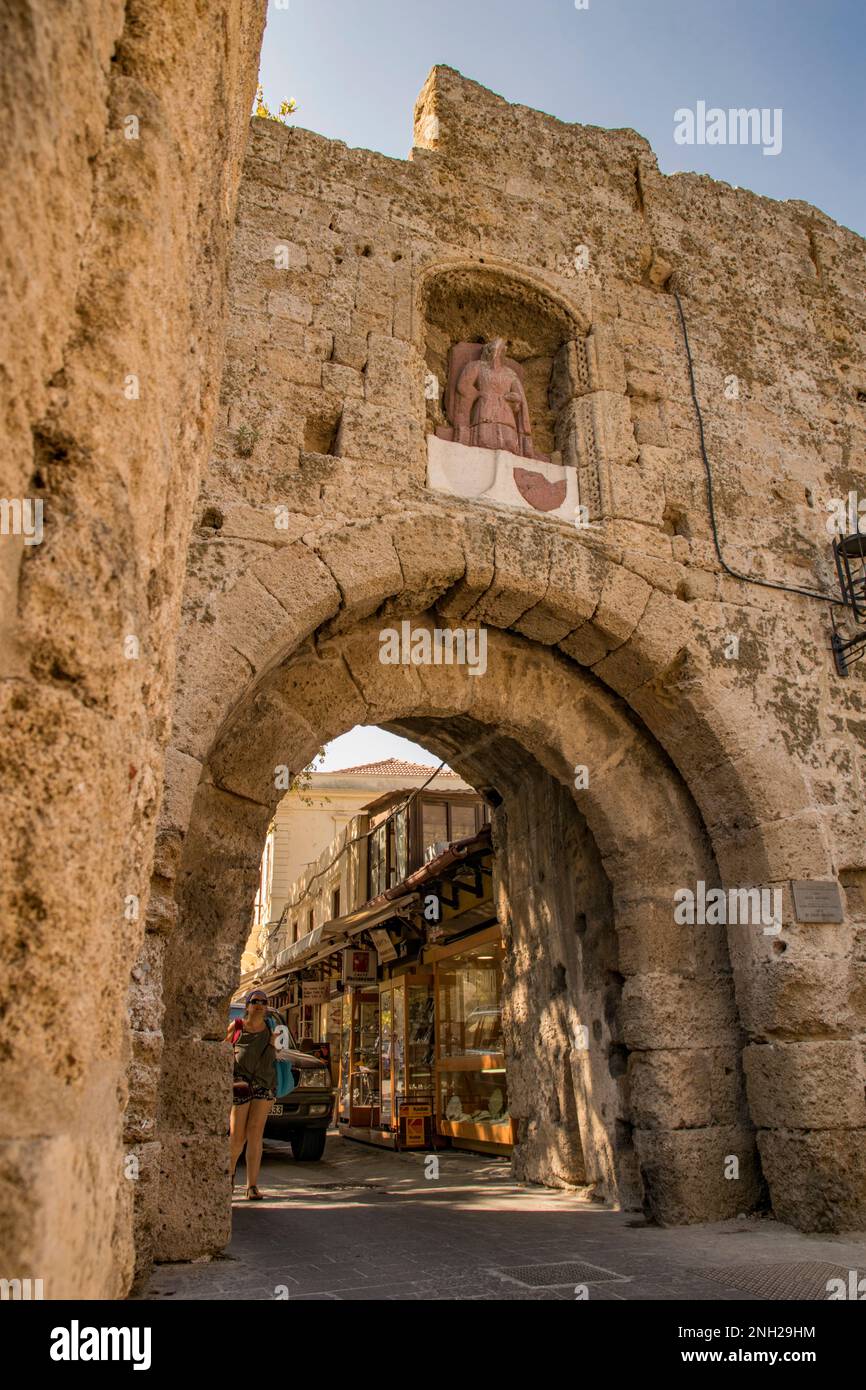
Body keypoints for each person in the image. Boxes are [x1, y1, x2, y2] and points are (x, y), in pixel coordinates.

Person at [227, 989, 279, 1200]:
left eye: (263, 1001)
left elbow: (278, 1053)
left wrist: (274, 1043)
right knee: (237, 1136)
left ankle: (252, 1186)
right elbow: (223, 1047)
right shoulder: (238, 1026)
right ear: (247, 1006)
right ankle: (228, 1176)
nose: (259, 1004)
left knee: (255, 1133)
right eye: (255, 1001)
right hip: (240, 1084)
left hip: (264, 1084)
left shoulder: (271, 1027)